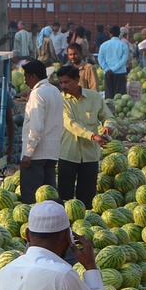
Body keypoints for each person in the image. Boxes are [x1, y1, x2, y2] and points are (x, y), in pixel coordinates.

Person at [57, 63, 112, 207]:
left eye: (66, 82)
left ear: (77, 80)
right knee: (65, 198)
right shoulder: (61, 100)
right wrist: (93, 136)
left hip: (89, 156)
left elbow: (108, 116)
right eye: (61, 82)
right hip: (68, 154)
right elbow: (70, 124)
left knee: (87, 199)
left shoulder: (94, 97)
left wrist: (108, 127)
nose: (63, 86)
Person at [19, 59, 64, 200]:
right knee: (50, 197)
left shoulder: (37, 93)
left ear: (33, 76)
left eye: (26, 77)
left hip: (36, 155)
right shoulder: (55, 91)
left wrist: (28, 152)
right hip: (51, 153)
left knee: (31, 198)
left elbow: (37, 127)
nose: (25, 81)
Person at [96, 28, 130, 100]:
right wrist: (114, 69)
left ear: (110, 33)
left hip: (108, 73)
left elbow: (100, 59)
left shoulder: (104, 45)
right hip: (120, 73)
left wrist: (107, 69)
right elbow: (124, 60)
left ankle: (109, 110)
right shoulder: (123, 45)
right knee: (120, 97)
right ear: (119, 34)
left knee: (109, 95)